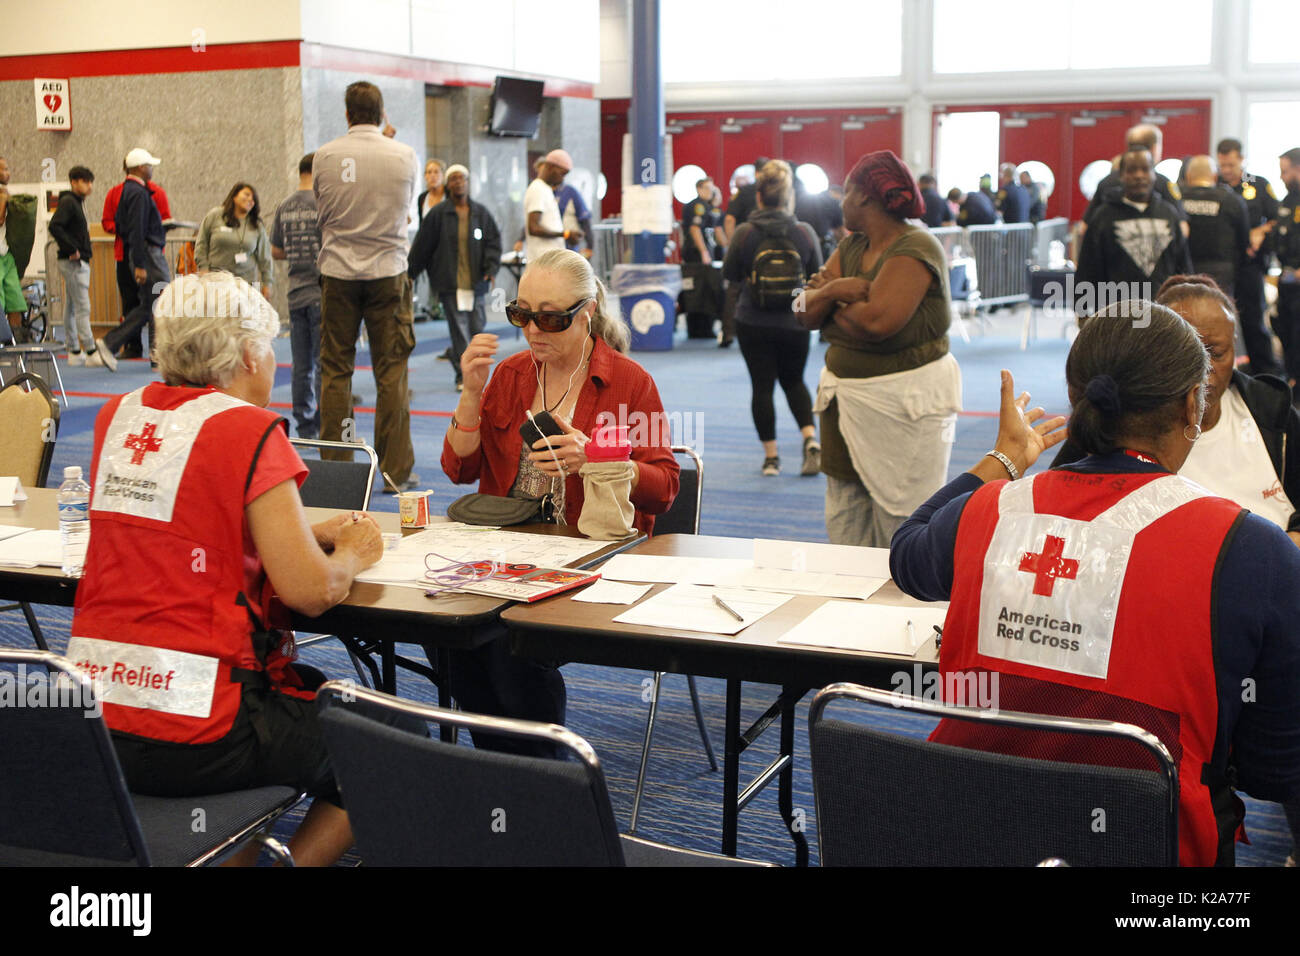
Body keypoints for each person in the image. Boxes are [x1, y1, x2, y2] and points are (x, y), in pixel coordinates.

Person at [889, 301, 1300, 866]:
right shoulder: (1252, 549)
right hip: (1149, 852)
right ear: (1190, 406)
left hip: (968, 830)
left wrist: (1004, 461)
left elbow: (906, 552)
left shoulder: (989, 511)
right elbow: (1275, 769)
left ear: (1077, 396)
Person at [69, 271, 385, 866]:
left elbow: (184, 524)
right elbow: (311, 593)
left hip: (98, 718)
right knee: (385, 748)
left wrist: (298, 532)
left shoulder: (120, 416)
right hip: (200, 729)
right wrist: (351, 555)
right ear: (246, 355)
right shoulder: (247, 428)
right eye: (270, 346)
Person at [439, 249, 679, 755]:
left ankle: (538, 774)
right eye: (521, 314)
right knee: (445, 625)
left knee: (506, 640)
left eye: (550, 318)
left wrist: (596, 458)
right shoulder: (509, 375)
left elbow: (665, 486)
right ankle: (507, 763)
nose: (533, 330)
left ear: (587, 313)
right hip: (511, 551)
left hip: (593, 555)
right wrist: (469, 393)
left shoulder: (630, 383)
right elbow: (460, 469)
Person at [799, 150, 960, 547]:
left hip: (904, 410)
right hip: (844, 404)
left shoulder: (915, 246)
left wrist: (826, 303)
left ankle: (903, 606)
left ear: (865, 198)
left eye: (847, 192)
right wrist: (837, 290)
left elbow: (877, 324)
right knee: (845, 513)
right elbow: (801, 309)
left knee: (903, 521)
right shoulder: (853, 246)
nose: (842, 201)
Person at [313, 80, 421, 491]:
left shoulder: (326, 155)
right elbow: (404, 211)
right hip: (388, 274)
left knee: (336, 373)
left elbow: (325, 216)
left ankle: (338, 471)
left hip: (339, 275)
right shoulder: (404, 155)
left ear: (346, 114)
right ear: (382, 114)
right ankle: (394, 473)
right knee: (391, 372)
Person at [722, 160, 823, 477]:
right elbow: (817, 273)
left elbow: (730, 274)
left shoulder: (744, 233)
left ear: (759, 197)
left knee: (762, 387)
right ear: (788, 196)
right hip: (795, 321)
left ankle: (771, 458)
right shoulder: (804, 233)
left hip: (753, 320)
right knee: (795, 381)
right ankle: (810, 439)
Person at [407, 163, 502, 391]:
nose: (458, 183)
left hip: (475, 283)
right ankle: (463, 376)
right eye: (454, 179)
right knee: (458, 330)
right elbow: (423, 246)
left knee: (477, 328)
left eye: (462, 179)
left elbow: (493, 243)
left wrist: (491, 269)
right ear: (448, 185)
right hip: (449, 283)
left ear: (468, 183)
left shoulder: (481, 213)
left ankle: (477, 373)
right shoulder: (438, 214)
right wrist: (411, 273)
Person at [1075, 148, 1192, 311]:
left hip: (1164, 313)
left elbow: (1183, 265)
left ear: (1153, 174)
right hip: (1115, 312)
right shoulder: (1103, 216)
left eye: (1145, 169)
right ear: (1121, 175)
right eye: (1131, 170)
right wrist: (1082, 309)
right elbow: (1088, 266)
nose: (1139, 176)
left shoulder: (1168, 214)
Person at [87, 147, 171, 371]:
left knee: (150, 306)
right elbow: (136, 229)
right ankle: (111, 344)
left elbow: (125, 227)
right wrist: (141, 264)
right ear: (141, 168)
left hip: (144, 254)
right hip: (149, 255)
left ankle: (116, 345)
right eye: (150, 166)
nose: (152, 169)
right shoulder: (138, 193)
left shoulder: (129, 191)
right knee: (158, 303)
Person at [1217, 137, 1283, 377]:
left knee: (1254, 321)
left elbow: (1277, 218)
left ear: (1241, 160)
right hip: (1222, 265)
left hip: (1250, 265)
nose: (1226, 171)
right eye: (1222, 165)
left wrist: (1259, 232)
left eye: (1231, 166)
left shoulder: (1258, 184)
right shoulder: (1216, 187)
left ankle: (1267, 373)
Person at [270, 153, 324, 438]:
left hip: (295, 291)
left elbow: (276, 249)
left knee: (301, 365)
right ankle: (326, 423)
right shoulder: (323, 202)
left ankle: (304, 426)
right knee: (324, 363)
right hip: (321, 290)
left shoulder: (285, 205)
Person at [1084, 123, 1184, 226]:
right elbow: (1182, 227)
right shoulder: (1164, 184)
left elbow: (1085, 227)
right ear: (1155, 148)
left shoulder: (1105, 182)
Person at [1179, 155, 1249, 299]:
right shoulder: (1231, 200)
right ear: (1215, 176)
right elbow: (1244, 239)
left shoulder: (1177, 199)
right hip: (1221, 271)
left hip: (1185, 270)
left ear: (1187, 176)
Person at [48, 165, 95, 365]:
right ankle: (91, 350)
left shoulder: (73, 202)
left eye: (90, 181)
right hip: (73, 261)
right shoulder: (69, 202)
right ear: (74, 182)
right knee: (82, 306)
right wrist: (71, 249)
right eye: (85, 181)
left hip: (73, 260)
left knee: (72, 306)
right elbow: (55, 226)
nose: (89, 186)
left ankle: (74, 349)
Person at [195, 182, 273, 298]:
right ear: (234, 196)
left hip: (246, 285)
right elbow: (201, 244)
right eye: (246, 194)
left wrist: (267, 283)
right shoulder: (215, 215)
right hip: (216, 282)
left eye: (253, 199)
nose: (250, 199)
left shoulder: (256, 225)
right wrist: (204, 269)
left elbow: (265, 258)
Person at [680, 176, 724, 340]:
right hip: (695, 255)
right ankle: (696, 328)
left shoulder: (708, 207)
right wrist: (704, 251)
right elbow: (694, 229)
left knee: (706, 291)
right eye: (707, 188)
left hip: (705, 255)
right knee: (696, 292)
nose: (710, 192)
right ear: (699, 189)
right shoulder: (697, 206)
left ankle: (705, 327)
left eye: (712, 189)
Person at [524, 149, 576, 264]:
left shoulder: (545, 189)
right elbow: (533, 227)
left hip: (549, 263)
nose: (562, 179)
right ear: (551, 167)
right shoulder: (537, 189)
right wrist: (565, 234)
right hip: (542, 262)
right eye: (562, 174)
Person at [0, 157, 26, 346]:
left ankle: (14, 343)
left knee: (16, 302)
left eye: (7, 169)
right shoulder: (3, 195)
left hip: (6, 254)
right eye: (3, 170)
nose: (7, 173)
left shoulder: (5, 193)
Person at [554, 176, 595, 258]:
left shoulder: (570, 192)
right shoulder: (545, 192)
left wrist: (590, 246)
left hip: (569, 245)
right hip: (550, 245)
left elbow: (585, 221)